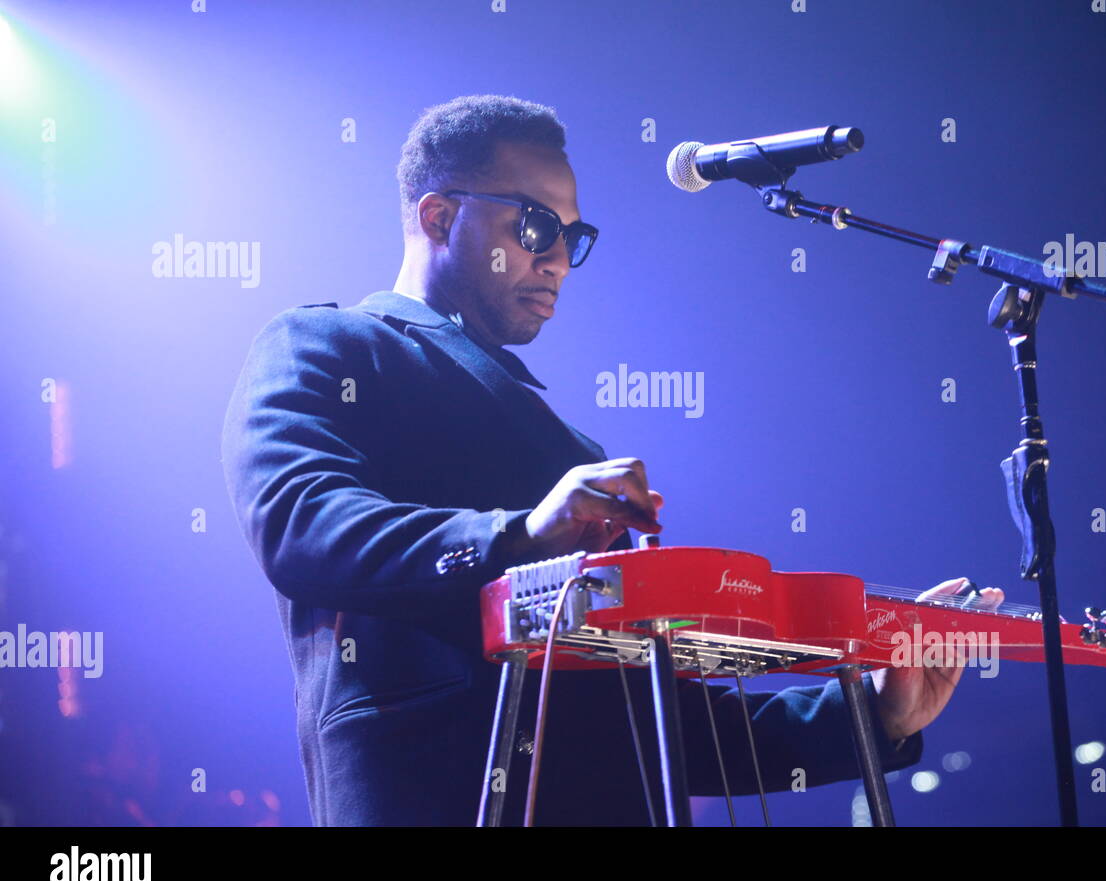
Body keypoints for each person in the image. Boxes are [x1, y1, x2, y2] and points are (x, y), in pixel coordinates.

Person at [221, 94, 1003, 826]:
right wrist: (521, 535)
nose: (559, 259)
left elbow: (661, 722)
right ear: (439, 214)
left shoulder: (576, 454)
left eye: (573, 236)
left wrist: (870, 712)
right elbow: (298, 526)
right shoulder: (328, 343)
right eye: (534, 226)